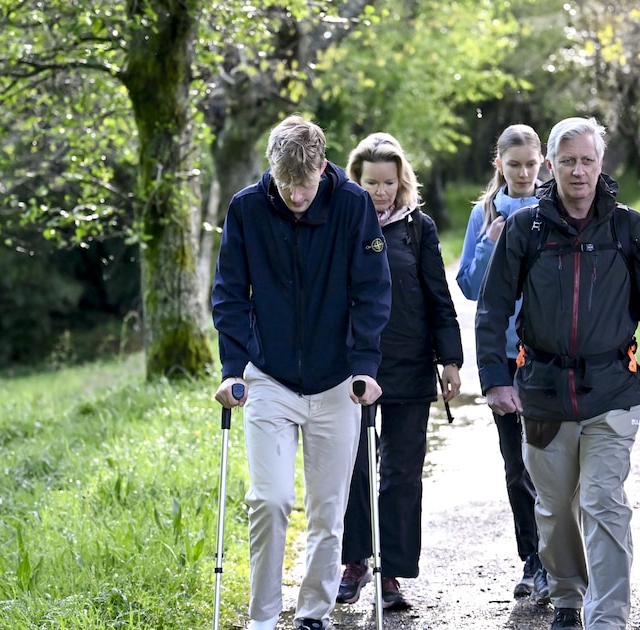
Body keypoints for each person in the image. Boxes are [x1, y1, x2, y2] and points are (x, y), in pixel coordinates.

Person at [475, 116, 640, 630]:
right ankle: (568, 595)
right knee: (553, 506)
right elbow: (492, 305)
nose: (579, 171)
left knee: (601, 499)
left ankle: (607, 616)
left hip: (612, 387)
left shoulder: (628, 226)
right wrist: (495, 378)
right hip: (542, 391)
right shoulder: (527, 228)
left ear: (600, 163)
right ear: (551, 166)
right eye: (568, 161)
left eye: (587, 160)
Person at [212, 114, 393, 630]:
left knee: (327, 509)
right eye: (287, 183)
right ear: (272, 171)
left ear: (323, 168)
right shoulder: (247, 208)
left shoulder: (353, 204)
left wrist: (365, 365)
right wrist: (233, 367)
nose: (296, 194)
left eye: (306, 183)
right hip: (268, 377)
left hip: (338, 380)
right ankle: (263, 618)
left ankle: (312, 613)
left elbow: (372, 291)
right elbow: (228, 295)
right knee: (268, 500)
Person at [336, 132, 464, 610]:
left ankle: (393, 572)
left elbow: (438, 297)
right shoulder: (340, 224)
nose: (380, 192)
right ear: (356, 181)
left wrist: (450, 359)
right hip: (353, 369)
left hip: (410, 365)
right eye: (371, 183)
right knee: (353, 470)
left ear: (401, 180)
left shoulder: (419, 228)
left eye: (388, 183)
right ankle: (355, 561)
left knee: (401, 474)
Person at [456, 123, 550, 602]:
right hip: (506, 358)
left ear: (543, 164)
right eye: (514, 165)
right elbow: (470, 288)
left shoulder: (555, 207)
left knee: (553, 464)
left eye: (531, 164)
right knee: (517, 467)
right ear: (499, 164)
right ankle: (532, 561)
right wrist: (490, 239)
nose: (523, 173)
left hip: (550, 356)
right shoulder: (484, 213)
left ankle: (562, 560)